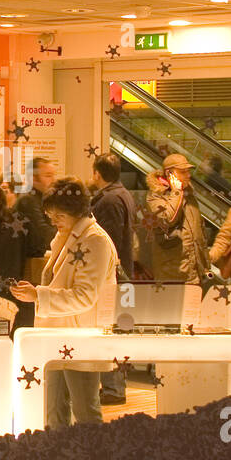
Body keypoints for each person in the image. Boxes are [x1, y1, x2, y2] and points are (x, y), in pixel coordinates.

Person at [10, 178, 118, 428]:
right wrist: (38, 293)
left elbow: (85, 296)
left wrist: (39, 295)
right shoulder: (69, 235)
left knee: (84, 411)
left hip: (80, 336)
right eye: (50, 215)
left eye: (58, 214)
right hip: (60, 334)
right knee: (54, 408)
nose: (53, 220)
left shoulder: (94, 240)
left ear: (76, 211)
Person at [89, 153, 135, 405]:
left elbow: (107, 242)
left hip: (112, 277)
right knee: (116, 330)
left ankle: (113, 389)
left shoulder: (108, 200)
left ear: (97, 173)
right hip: (124, 272)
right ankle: (114, 388)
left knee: (109, 331)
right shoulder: (124, 195)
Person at [146, 153, 213, 290]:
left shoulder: (189, 195)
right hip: (172, 275)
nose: (188, 175)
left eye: (188, 171)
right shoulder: (155, 196)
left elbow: (199, 232)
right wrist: (176, 192)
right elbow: (167, 219)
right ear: (169, 174)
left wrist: (205, 265)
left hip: (194, 274)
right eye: (183, 172)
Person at [15, 157, 57, 257]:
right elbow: (44, 236)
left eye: (53, 175)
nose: (53, 180)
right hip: (30, 262)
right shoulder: (28, 200)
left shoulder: (42, 198)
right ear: (33, 178)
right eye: (48, 176)